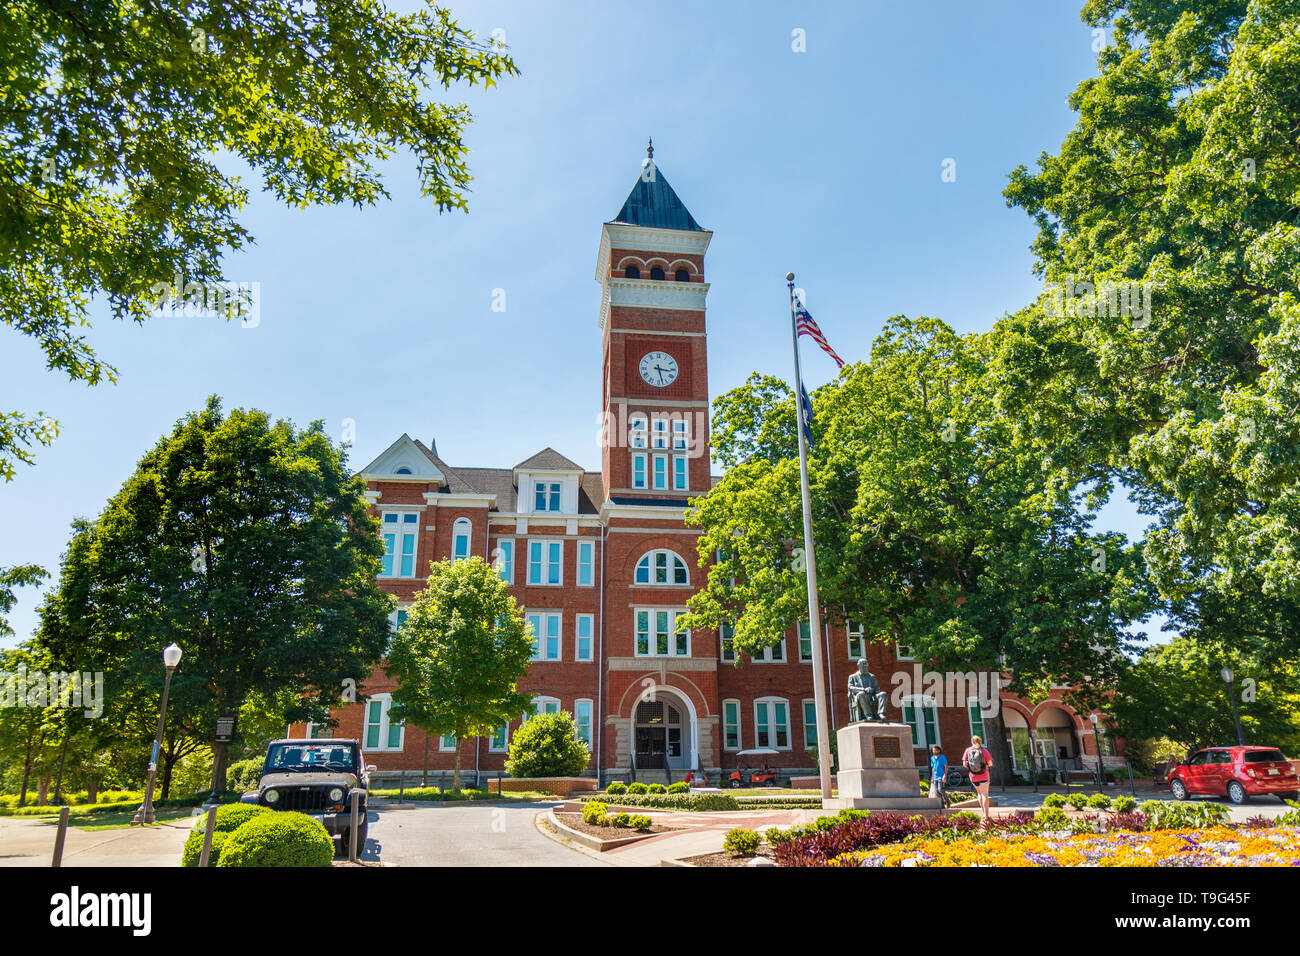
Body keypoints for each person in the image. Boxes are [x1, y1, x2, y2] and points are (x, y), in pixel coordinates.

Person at [963, 735, 994, 820]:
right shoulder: (984, 751)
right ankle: (986, 815)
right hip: (984, 775)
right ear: (980, 741)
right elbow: (990, 763)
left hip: (973, 776)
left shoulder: (968, 750)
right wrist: (985, 765)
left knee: (979, 794)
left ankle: (983, 812)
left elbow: (965, 764)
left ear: (972, 741)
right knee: (985, 795)